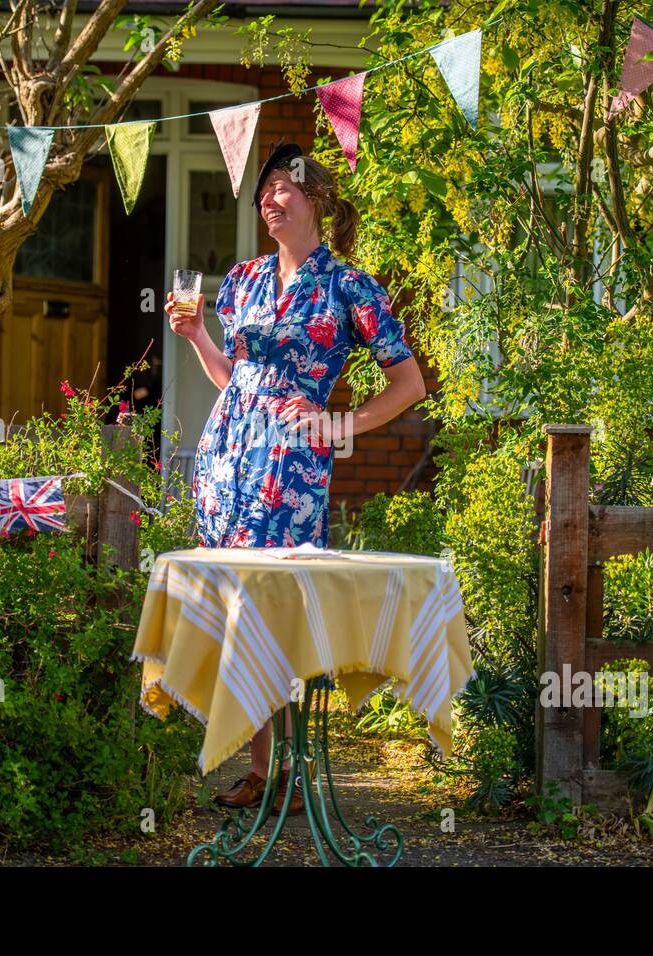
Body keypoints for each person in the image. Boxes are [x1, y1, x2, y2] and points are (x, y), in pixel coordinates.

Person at [164, 141, 427, 814]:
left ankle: (287, 766)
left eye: (284, 186)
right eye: (265, 188)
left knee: (275, 611)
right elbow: (236, 377)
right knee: (236, 610)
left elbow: (409, 384)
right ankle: (260, 767)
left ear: (316, 201)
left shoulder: (349, 286)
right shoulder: (244, 279)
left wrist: (339, 426)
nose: (269, 197)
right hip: (225, 460)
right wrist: (198, 339)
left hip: (290, 468)